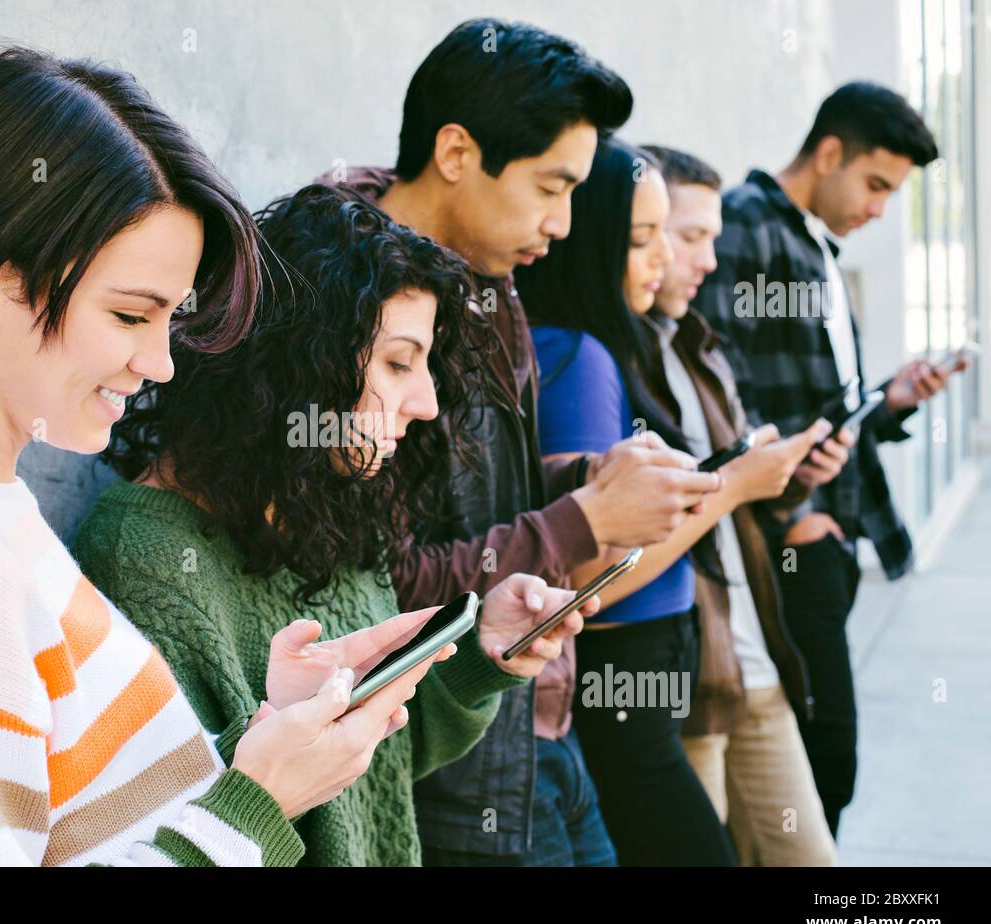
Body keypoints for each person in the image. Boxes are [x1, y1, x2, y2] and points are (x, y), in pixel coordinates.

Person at [0, 47, 443, 867]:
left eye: (168, 320)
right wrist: (259, 803)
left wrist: (258, 739)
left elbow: (73, 826)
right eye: (129, 315)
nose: (160, 363)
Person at [74, 184, 598, 865]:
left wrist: (475, 658)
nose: (429, 403)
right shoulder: (140, 560)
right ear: (297, 359)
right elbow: (187, 831)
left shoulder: (328, 510)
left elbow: (365, 773)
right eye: (398, 362)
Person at [327, 17, 720, 867]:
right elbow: (380, 586)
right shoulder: (340, 298)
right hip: (445, 774)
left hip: (540, 731)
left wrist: (594, 477)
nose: (569, 222)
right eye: (551, 186)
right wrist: (583, 518)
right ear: (459, 152)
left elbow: (485, 490)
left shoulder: (490, 282)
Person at [516, 139, 832, 865]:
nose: (666, 259)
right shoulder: (579, 356)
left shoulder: (616, 347)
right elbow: (590, 564)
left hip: (654, 666)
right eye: (644, 238)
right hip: (622, 667)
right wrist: (733, 486)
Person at [693, 82, 965, 835]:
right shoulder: (747, 226)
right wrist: (795, 507)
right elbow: (722, 398)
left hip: (822, 540)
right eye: (876, 184)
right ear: (830, 152)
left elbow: (820, 413)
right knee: (826, 764)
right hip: (786, 542)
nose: (879, 207)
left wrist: (893, 396)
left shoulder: (809, 240)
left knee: (819, 763)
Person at [638, 144, 845, 865]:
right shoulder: (614, 355)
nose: (708, 260)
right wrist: (741, 479)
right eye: (691, 236)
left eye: (710, 238)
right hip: (690, 677)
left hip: (755, 654)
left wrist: (789, 472)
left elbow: (736, 497)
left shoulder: (699, 342)